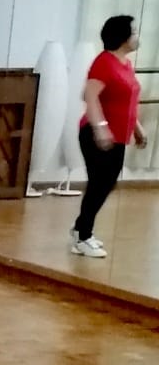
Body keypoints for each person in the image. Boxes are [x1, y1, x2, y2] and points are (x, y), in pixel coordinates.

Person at [72, 14, 147, 258]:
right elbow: (90, 96)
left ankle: (80, 228)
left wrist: (137, 129)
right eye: (133, 32)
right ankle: (83, 237)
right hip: (96, 135)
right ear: (123, 36)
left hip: (118, 136)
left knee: (105, 183)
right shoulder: (104, 62)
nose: (136, 36)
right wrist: (101, 127)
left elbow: (125, 100)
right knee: (100, 184)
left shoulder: (125, 64)